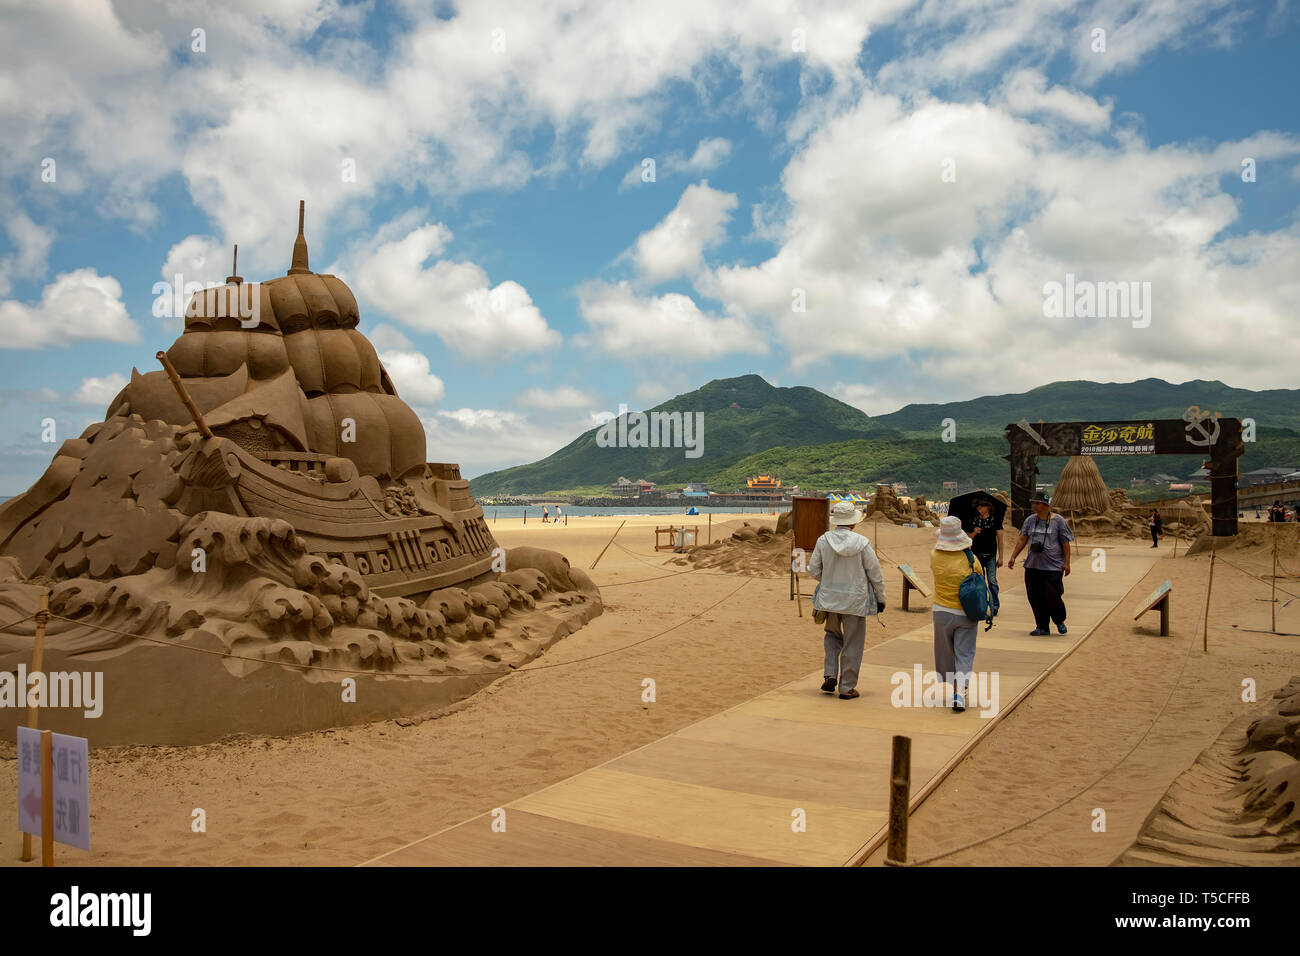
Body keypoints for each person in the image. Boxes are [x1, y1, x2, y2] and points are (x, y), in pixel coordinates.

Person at [808, 499, 886, 701]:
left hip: (830, 598)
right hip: (855, 600)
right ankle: (847, 686)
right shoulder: (862, 543)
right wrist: (880, 597)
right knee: (853, 642)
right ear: (853, 522)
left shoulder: (823, 540)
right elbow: (875, 573)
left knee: (832, 636)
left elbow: (813, 569)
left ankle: (830, 673)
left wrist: (827, 581)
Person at [930, 516, 985, 713]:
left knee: (946, 652)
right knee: (964, 652)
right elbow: (979, 575)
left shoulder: (934, 555)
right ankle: (960, 693)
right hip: (965, 612)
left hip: (941, 611)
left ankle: (953, 686)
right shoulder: (970, 557)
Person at [1008, 491, 1074, 636]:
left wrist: (1067, 563)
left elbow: (1065, 543)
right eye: (1033, 502)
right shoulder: (1030, 520)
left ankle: (1059, 620)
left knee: (1053, 596)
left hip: (1053, 567)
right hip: (1033, 566)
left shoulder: (1059, 521)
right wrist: (1013, 556)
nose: (1034, 505)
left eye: (1036, 503)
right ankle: (1042, 626)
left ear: (1045, 505)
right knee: (1035, 598)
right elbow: (1022, 540)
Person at [963, 497, 1003, 613]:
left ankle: (995, 605)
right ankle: (983, 604)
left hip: (990, 555)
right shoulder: (973, 521)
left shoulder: (995, 521)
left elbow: (1000, 540)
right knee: (979, 582)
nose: (979, 507)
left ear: (989, 507)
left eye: (982, 505)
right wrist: (974, 532)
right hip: (977, 555)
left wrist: (1000, 557)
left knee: (992, 581)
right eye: (978, 506)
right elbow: (966, 539)